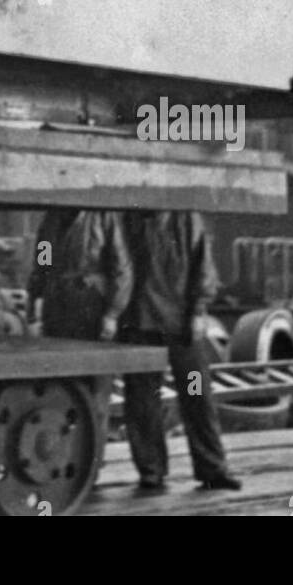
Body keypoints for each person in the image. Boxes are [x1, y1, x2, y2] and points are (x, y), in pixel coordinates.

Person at [118, 209, 241, 494]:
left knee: (197, 394)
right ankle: (151, 471)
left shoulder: (186, 218)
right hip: (140, 324)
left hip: (182, 326)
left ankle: (212, 468)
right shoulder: (128, 217)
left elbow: (202, 264)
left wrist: (198, 310)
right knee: (142, 399)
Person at [28, 208, 133, 342]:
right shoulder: (51, 217)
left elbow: (122, 267)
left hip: (91, 304)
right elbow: (42, 263)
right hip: (55, 306)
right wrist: (34, 307)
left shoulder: (104, 215)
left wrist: (112, 314)